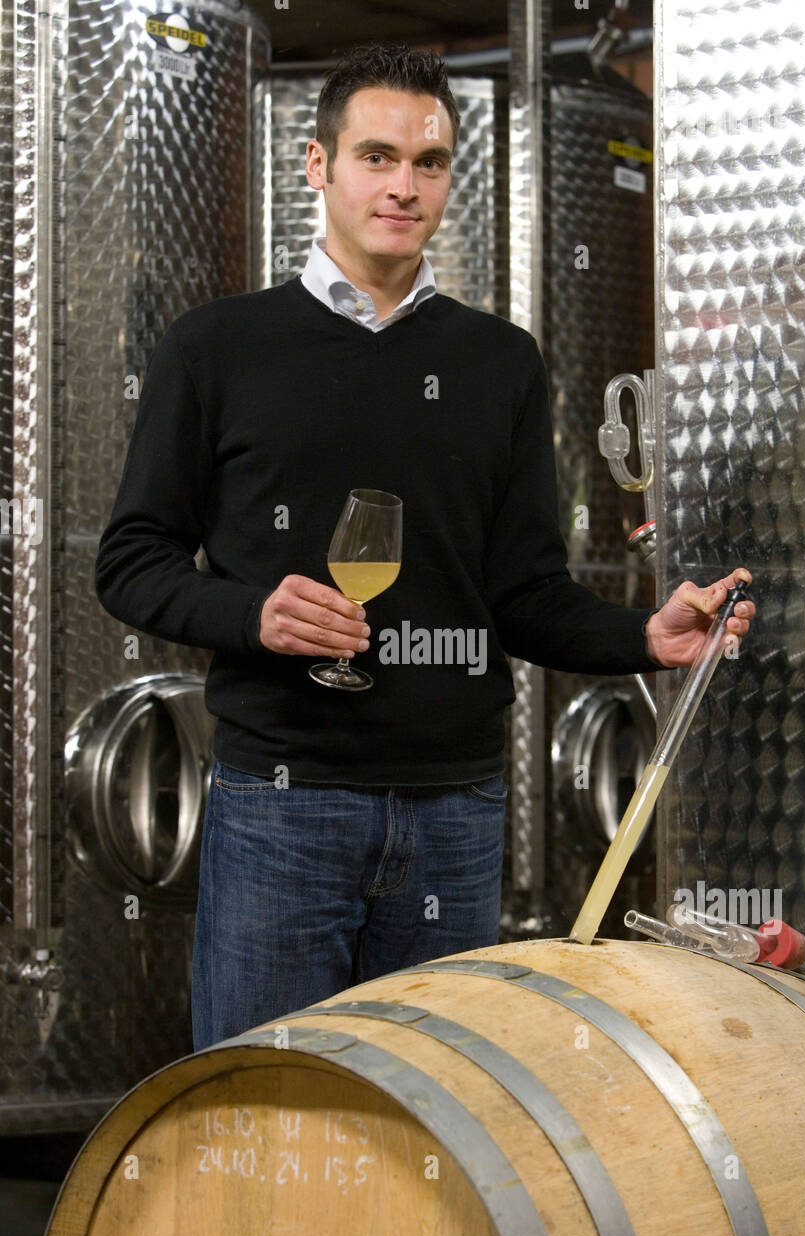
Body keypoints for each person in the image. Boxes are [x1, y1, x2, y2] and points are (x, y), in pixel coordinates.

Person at [94, 42, 755, 1051]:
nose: (403, 186)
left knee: (431, 1135)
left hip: (454, 809)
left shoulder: (498, 363)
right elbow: (130, 559)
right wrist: (252, 613)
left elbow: (524, 594)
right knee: (269, 1118)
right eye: (375, 156)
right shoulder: (217, 347)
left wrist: (643, 635)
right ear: (316, 166)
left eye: (430, 162)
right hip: (284, 806)